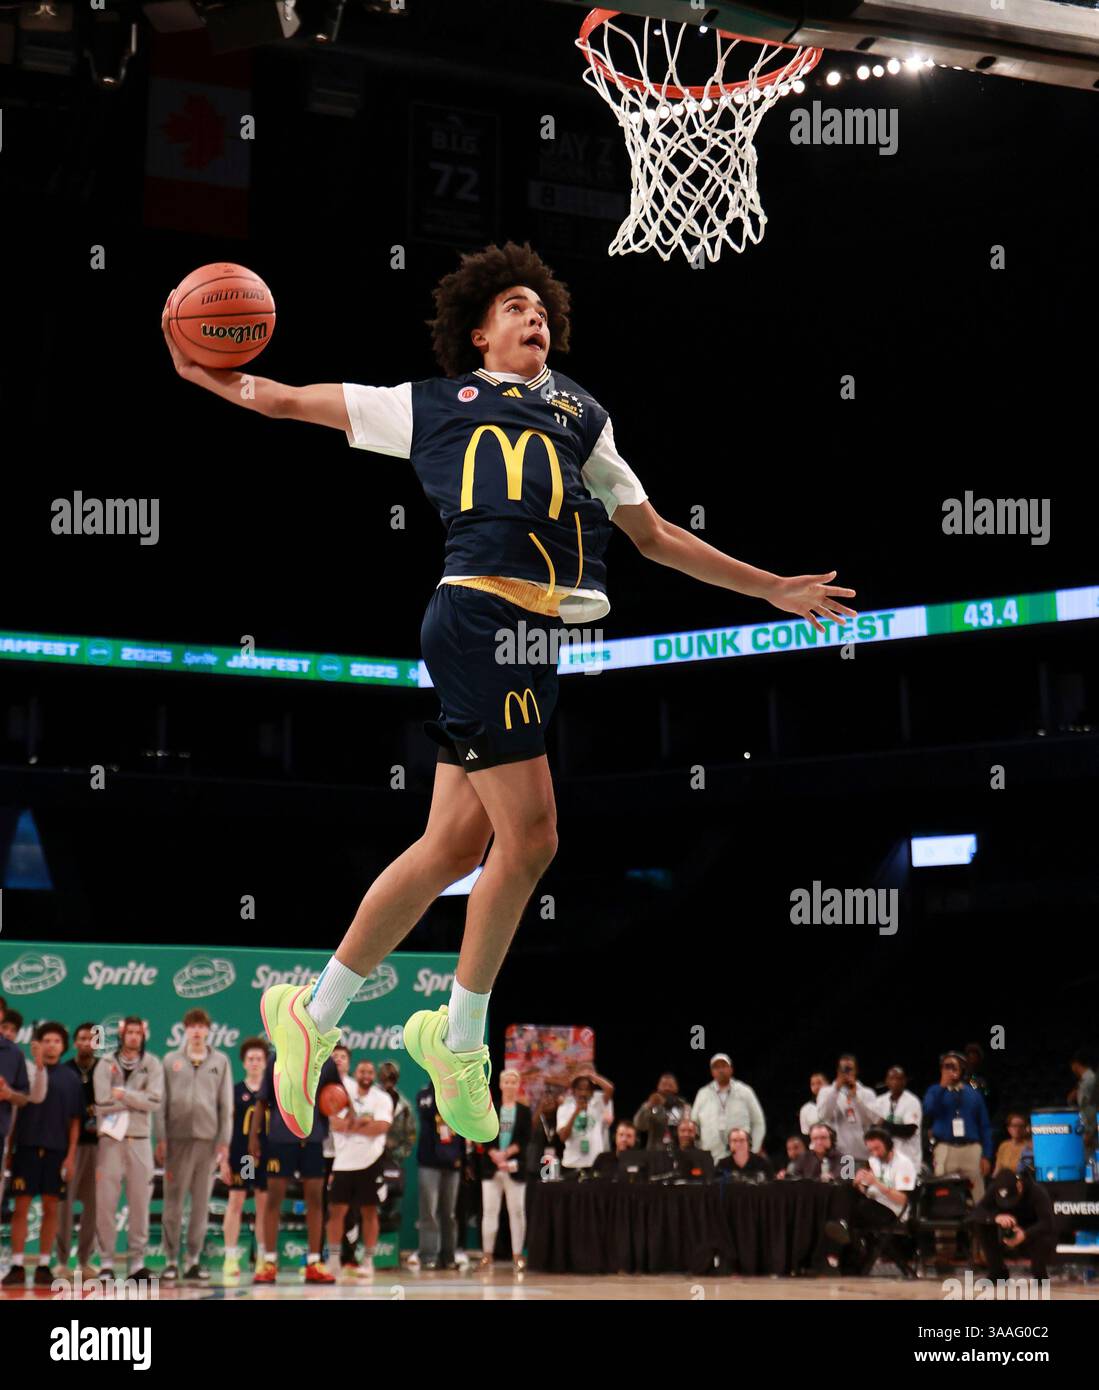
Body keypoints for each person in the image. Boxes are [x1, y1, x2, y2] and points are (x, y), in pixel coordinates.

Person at [164, 243, 855, 1150]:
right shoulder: (430, 403)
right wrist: (213, 372)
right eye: (515, 308)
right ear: (478, 331)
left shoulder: (583, 415)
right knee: (532, 838)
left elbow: (651, 535)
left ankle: (317, 1012)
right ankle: (453, 1038)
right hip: (477, 616)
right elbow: (293, 399)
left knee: (454, 844)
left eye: (542, 310)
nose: (535, 319)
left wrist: (767, 586)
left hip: (535, 639)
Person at [1, 1023, 83, 1288]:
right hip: (25, 1148)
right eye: (46, 1040)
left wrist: (70, 1156)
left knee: (51, 1208)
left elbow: (74, 1121)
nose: (51, 1045)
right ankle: (16, 1263)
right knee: (21, 1208)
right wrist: (11, 1149)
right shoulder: (26, 1072)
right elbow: (16, 1109)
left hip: (56, 1151)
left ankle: (44, 1265)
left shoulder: (71, 1078)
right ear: (37, 1044)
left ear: (63, 1045)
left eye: (56, 1041)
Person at [157, 1007, 234, 1284]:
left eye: (202, 1027)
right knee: (173, 1204)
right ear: (185, 1030)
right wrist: (162, 1137)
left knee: (200, 1204)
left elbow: (226, 1105)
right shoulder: (170, 1060)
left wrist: (224, 1142)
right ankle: (169, 1260)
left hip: (207, 1142)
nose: (197, 1031)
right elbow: (161, 1103)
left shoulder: (220, 1061)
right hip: (176, 1141)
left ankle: (192, 1259)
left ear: (208, 1030)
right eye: (192, 1027)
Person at [254, 1047, 342, 1284]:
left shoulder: (326, 1059)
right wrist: (254, 1138)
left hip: (313, 1138)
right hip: (281, 1138)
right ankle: (269, 1261)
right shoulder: (278, 1055)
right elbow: (263, 1101)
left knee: (315, 1199)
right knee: (273, 1199)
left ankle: (314, 1261)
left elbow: (337, 1094)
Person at [93, 1017, 163, 1281]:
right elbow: (101, 1101)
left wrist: (124, 1096)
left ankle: (137, 1263)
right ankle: (106, 1263)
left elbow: (155, 1101)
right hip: (111, 1139)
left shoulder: (152, 1064)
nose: (133, 1036)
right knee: (106, 1203)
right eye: (129, 1032)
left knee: (140, 1203)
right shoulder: (106, 1063)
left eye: (137, 1032)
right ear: (122, 1035)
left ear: (143, 1035)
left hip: (140, 1139)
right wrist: (136, 1100)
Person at [326, 1059, 393, 1280]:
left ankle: (368, 1260)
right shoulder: (342, 1094)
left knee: (369, 1212)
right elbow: (335, 1123)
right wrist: (364, 1123)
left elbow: (381, 1127)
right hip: (343, 1162)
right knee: (337, 1212)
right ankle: (334, 1259)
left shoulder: (381, 1098)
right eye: (362, 1071)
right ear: (356, 1073)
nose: (366, 1074)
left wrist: (352, 1126)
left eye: (370, 1071)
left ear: (374, 1075)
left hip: (370, 1161)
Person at [825, 1125, 917, 1277]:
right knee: (846, 1189)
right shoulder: (873, 1161)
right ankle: (843, 1226)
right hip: (873, 1204)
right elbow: (866, 1189)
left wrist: (876, 1183)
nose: (874, 1153)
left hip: (893, 1211)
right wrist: (859, 1184)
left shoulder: (904, 1163)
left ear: (888, 1144)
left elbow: (902, 1200)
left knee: (858, 1209)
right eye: (871, 1149)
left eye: (877, 1148)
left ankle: (842, 1232)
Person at [221, 1037, 269, 1281]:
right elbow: (226, 1127)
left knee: (264, 1205)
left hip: (266, 1154)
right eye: (250, 1059)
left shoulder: (272, 1091)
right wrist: (224, 1159)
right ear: (243, 1063)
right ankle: (230, 1257)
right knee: (236, 1201)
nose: (255, 1063)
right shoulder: (235, 1091)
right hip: (242, 1155)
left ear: (266, 1062)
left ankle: (262, 1257)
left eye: (259, 1059)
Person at [55, 1022, 100, 1278]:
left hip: (98, 1147)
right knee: (64, 1204)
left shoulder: (106, 1069)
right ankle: (61, 1262)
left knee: (92, 1207)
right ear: (74, 1043)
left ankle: (85, 1261)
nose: (86, 1043)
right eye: (81, 1038)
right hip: (68, 1147)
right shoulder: (64, 1070)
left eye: (91, 1039)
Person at [474, 1068, 530, 1269]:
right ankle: (487, 1254)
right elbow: (483, 1135)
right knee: (489, 1211)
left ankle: (517, 1255)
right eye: (506, 1081)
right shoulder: (492, 1109)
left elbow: (525, 1139)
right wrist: (494, 1154)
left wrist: (507, 1154)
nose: (509, 1085)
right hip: (492, 1168)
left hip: (514, 1167)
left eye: (513, 1082)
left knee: (517, 1211)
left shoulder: (524, 1112)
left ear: (518, 1085)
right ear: (500, 1084)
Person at [924, 1050, 993, 1202]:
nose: (949, 1070)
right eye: (946, 1066)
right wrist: (943, 1086)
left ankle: (979, 1224)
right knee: (942, 1191)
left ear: (961, 1069)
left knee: (978, 1195)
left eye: (953, 1066)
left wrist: (987, 1156)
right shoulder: (935, 1091)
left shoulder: (974, 1094)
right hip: (945, 1147)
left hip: (971, 1149)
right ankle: (943, 1225)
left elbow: (985, 1126)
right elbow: (929, 1110)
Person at [413, 1080, 465, 1270]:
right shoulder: (424, 1094)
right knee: (429, 1211)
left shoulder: (458, 1094)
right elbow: (428, 1111)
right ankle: (428, 1256)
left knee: (449, 1213)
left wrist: (461, 1157)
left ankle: (449, 1255)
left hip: (452, 1162)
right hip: (429, 1162)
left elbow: (463, 1123)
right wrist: (442, 1093)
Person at [971, 1167, 1054, 1283]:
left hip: (1030, 1233)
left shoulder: (1036, 1191)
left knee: (1043, 1233)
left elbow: (1047, 1222)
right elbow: (977, 1212)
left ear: (1019, 1186)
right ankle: (997, 1271)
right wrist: (995, 1218)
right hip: (1005, 1233)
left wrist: (1025, 1234)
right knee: (980, 1223)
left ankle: (1040, 1273)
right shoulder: (995, 1188)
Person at [690, 1053, 766, 1162]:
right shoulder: (703, 1093)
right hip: (710, 1155)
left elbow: (758, 1122)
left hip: (740, 1156)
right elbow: (694, 1125)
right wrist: (698, 1151)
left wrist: (754, 1150)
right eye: (716, 1067)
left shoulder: (745, 1091)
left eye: (724, 1066)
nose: (721, 1070)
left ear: (731, 1069)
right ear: (712, 1072)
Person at [816, 1054, 877, 1161]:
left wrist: (855, 1098)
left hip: (863, 1153)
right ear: (838, 1071)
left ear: (856, 1071)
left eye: (850, 1069)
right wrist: (836, 1090)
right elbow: (823, 1116)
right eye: (843, 1069)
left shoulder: (868, 1093)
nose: (846, 1072)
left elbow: (870, 1120)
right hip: (835, 1155)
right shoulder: (825, 1092)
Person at [557, 1072, 615, 1175]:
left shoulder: (598, 1103)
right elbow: (563, 1137)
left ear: (592, 1092)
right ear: (574, 1091)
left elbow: (610, 1089)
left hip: (595, 1162)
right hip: (572, 1163)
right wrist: (576, 1112)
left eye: (587, 1089)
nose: (583, 1093)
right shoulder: (564, 1108)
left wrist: (591, 1076)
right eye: (579, 1089)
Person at [872, 1064, 923, 1171]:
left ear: (904, 1081)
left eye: (898, 1079)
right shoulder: (880, 1101)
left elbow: (908, 1130)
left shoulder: (912, 1101)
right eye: (891, 1078)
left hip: (908, 1160)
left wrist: (883, 1124)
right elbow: (874, 1129)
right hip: (885, 1161)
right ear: (886, 1081)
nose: (895, 1082)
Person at [633, 1072, 687, 1152]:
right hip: (655, 1154)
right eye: (664, 1085)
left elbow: (688, 1130)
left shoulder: (684, 1107)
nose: (667, 1088)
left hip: (678, 1153)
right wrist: (648, 1106)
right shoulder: (650, 1104)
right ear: (658, 1087)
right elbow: (639, 1125)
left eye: (670, 1085)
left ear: (676, 1088)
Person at [1068, 1049, 1097, 1154]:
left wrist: (1089, 1132)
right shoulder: (1087, 1081)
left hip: (1092, 1131)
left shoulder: (1088, 1082)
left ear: (1075, 1065)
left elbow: (1090, 1109)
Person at [800, 1072, 827, 1137]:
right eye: (813, 1084)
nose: (816, 1087)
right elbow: (805, 1132)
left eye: (819, 1083)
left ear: (827, 1083)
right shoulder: (805, 1108)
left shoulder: (837, 1102)